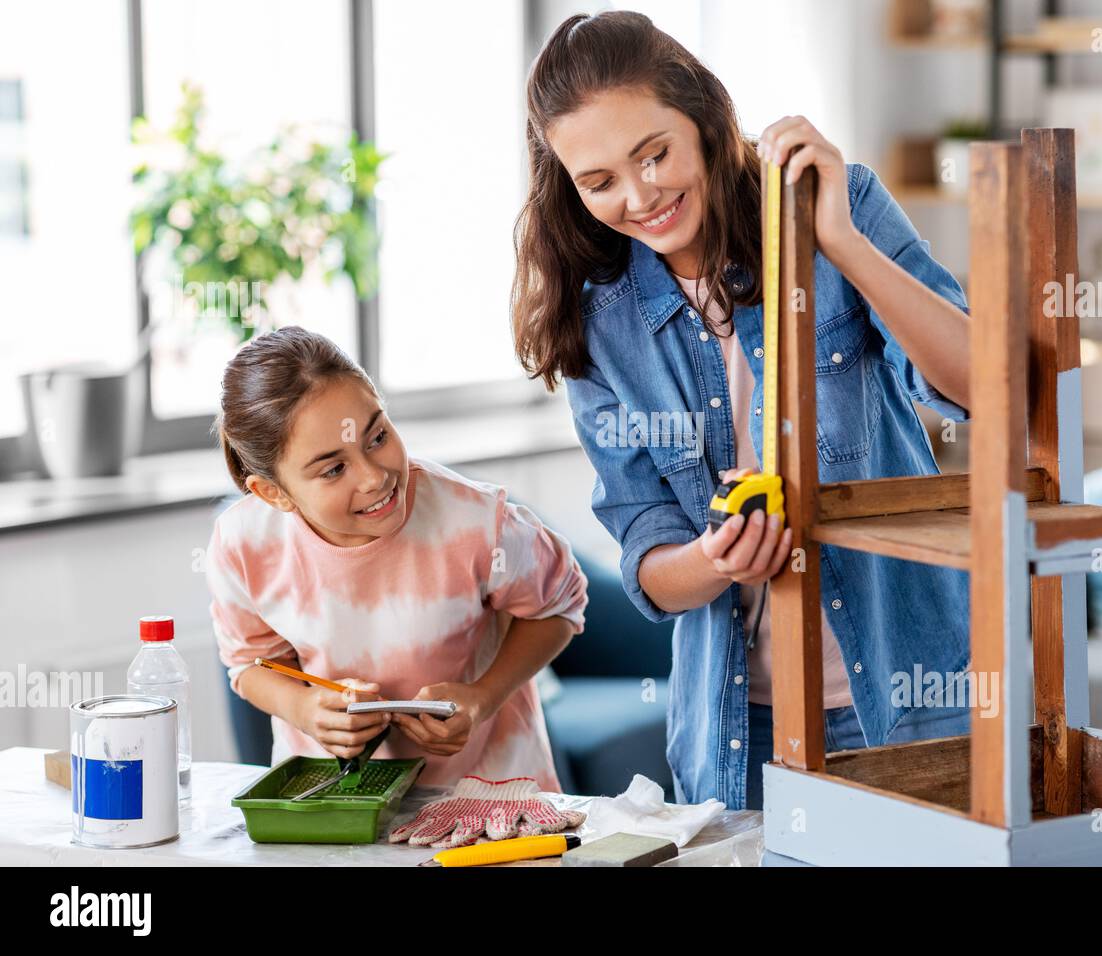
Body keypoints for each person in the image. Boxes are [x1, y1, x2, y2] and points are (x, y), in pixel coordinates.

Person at [512, 11, 975, 811]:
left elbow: (979, 386)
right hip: (738, 730)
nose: (639, 195)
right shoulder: (599, 324)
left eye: (653, 153)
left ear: (699, 114)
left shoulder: (839, 205)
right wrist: (721, 561)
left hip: (914, 698)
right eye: (599, 182)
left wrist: (843, 244)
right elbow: (650, 562)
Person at [205, 325, 587, 789]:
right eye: (333, 469)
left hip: (488, 795)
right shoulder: (242, 542)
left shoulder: (477, 520)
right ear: (273, 492)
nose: (374, 476)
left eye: (377, 436)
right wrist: (303, 708)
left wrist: (482, 697)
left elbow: (560, 604)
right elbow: (251, 664)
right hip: (335, 800)